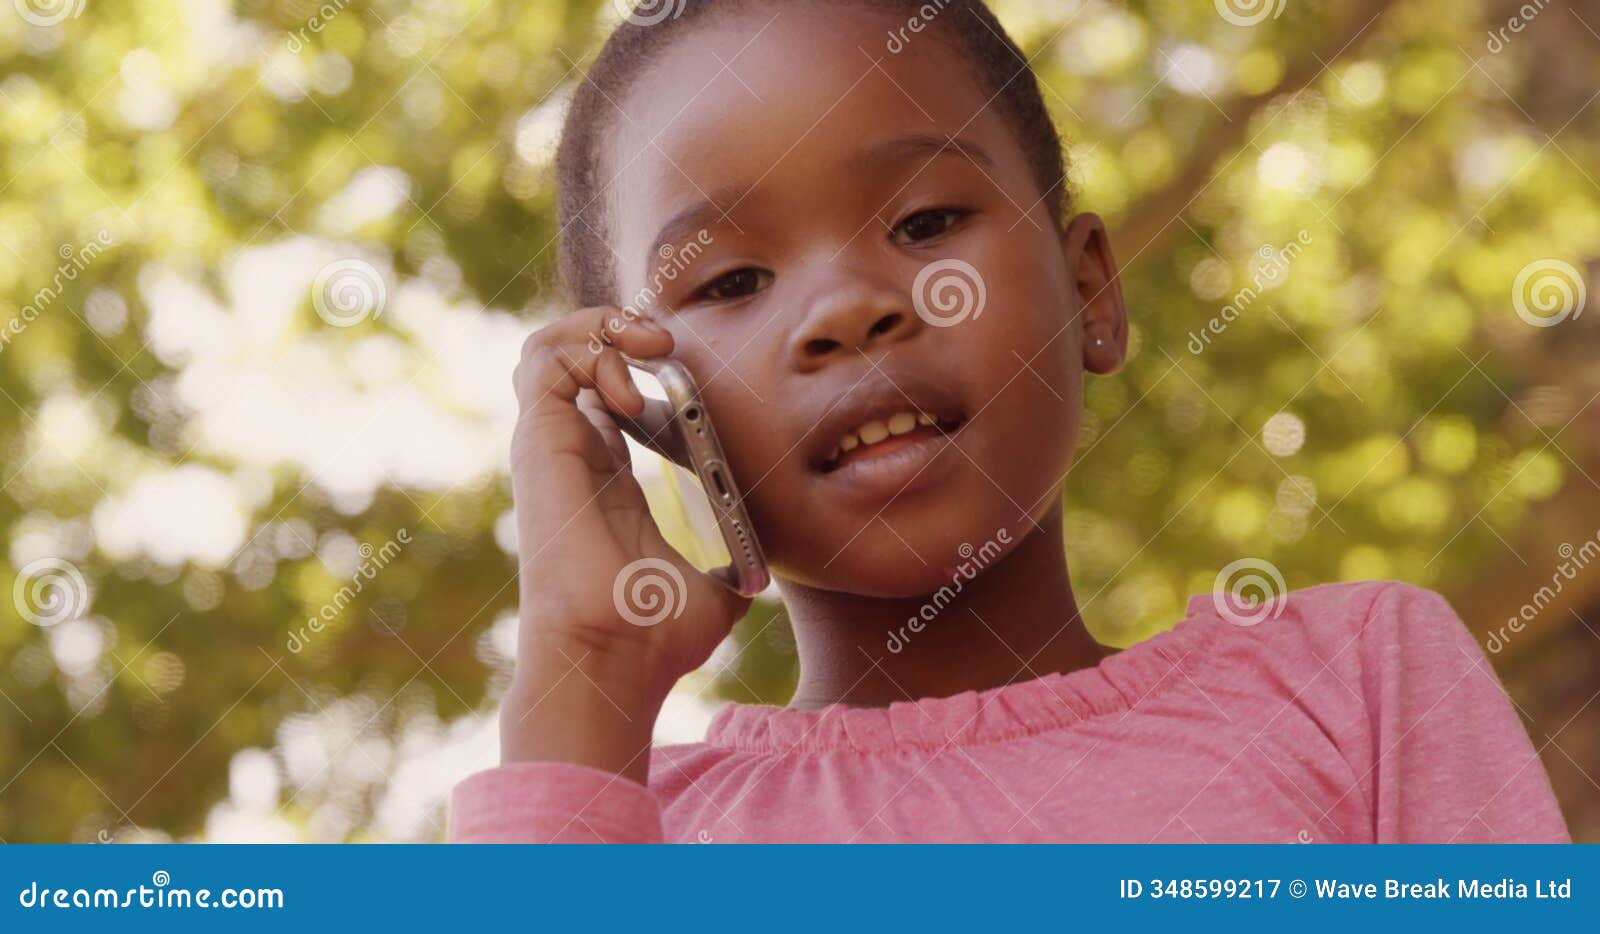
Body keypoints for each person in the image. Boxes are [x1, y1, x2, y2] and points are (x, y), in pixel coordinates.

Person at [449, 0, 1568, 843]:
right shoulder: (643, 835)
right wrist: (581, 678)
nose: (847, 309)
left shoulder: (1354, 679)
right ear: (644, 406)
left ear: (1089, 291)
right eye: (732, 282)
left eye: (927, 218)